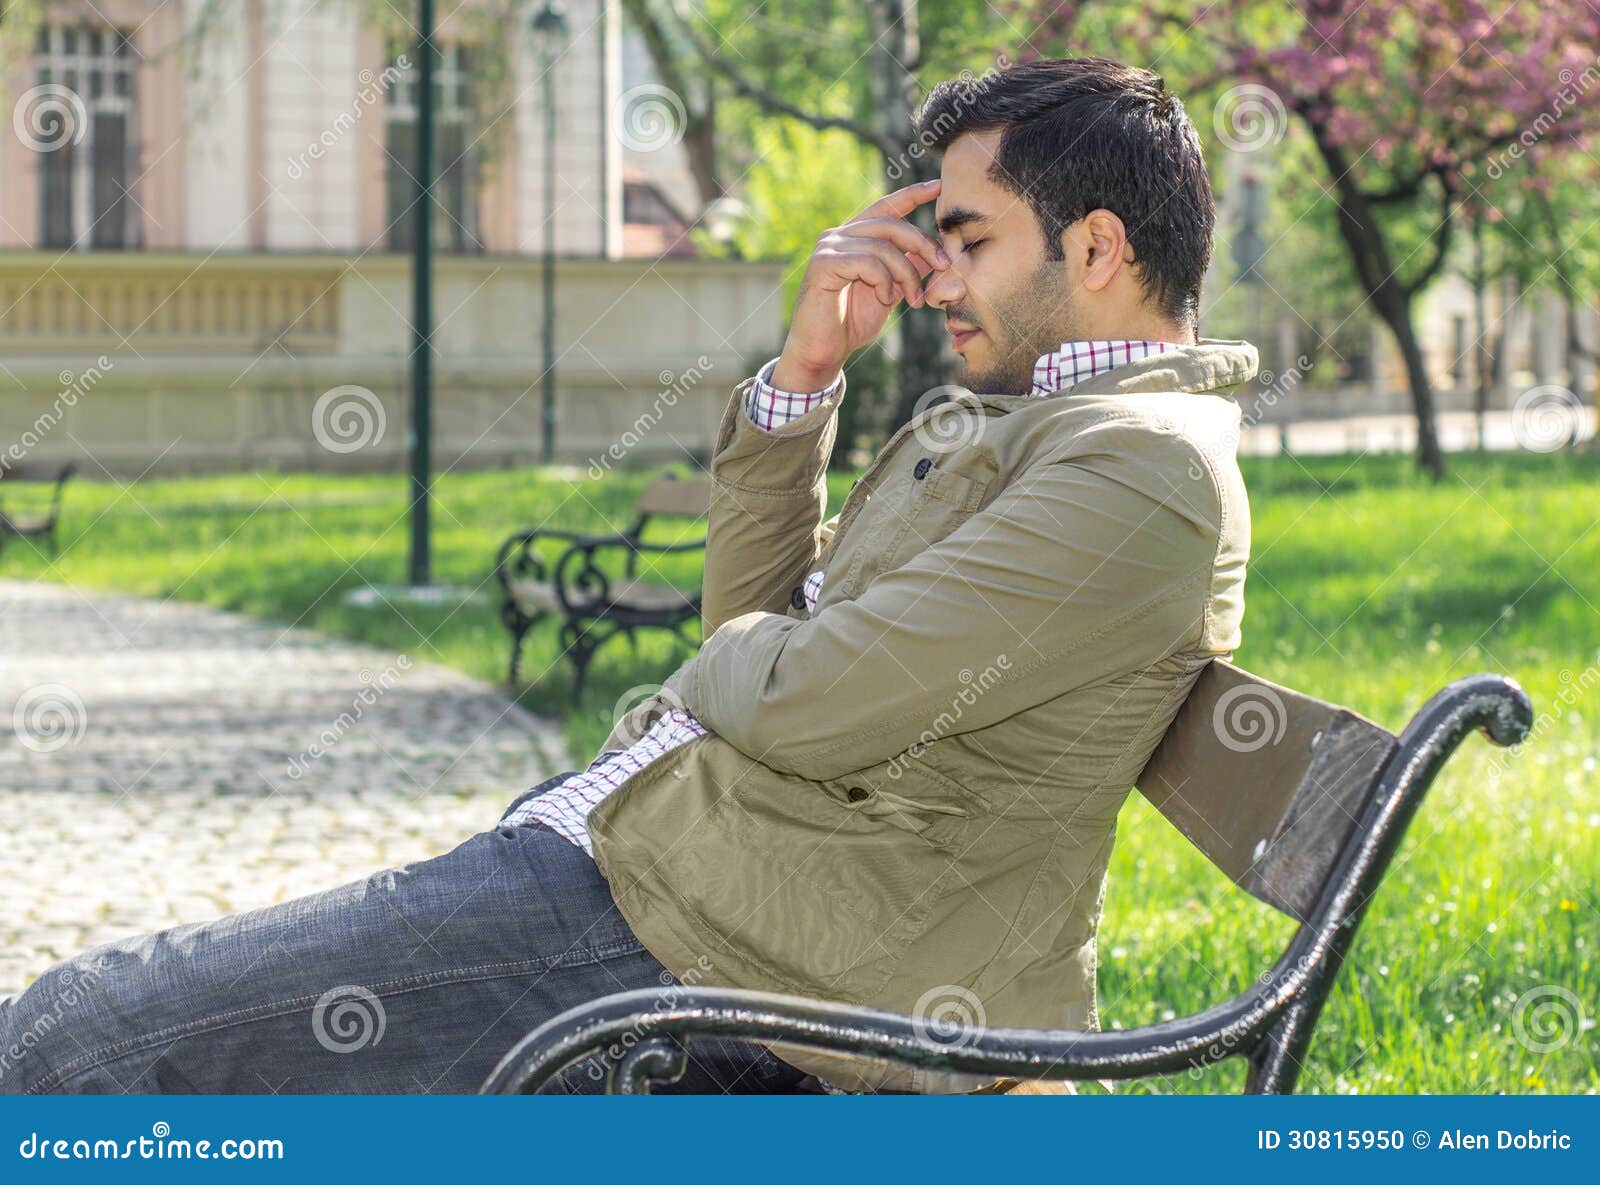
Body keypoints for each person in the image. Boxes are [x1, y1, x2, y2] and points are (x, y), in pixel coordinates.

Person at [0, 56, 1254, 1095]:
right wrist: (804, 377)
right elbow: (759, 637)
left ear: (1095, 248)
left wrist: (734, 673)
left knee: (78, 1046)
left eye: (967, 239)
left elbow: (799, 693)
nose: (931, 278)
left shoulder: (1138, 472)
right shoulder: (1033, 427)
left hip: (748, 971)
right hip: (653, 876)